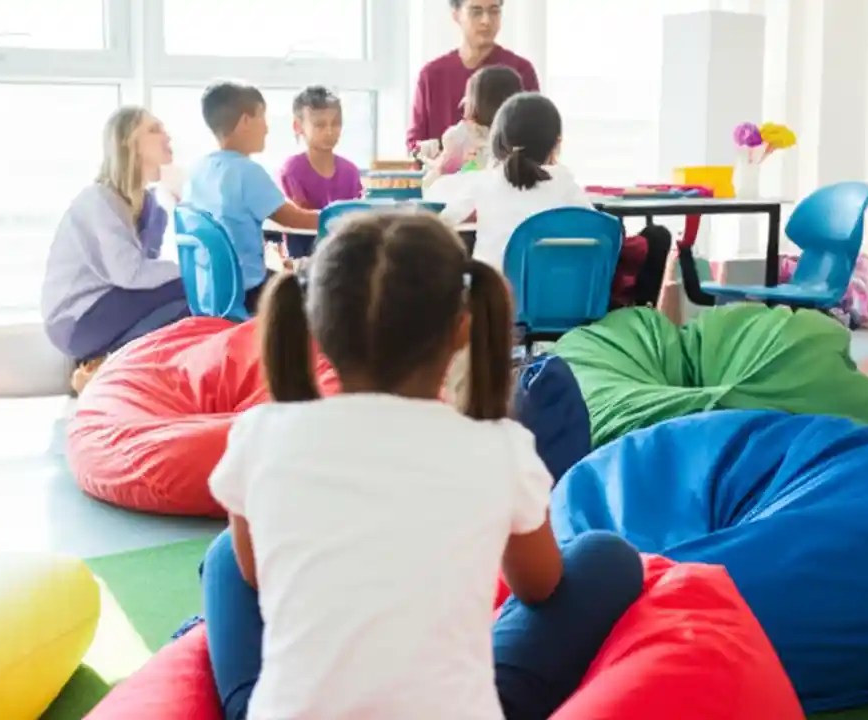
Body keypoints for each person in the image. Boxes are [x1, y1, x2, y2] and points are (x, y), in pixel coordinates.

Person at [200, 212, 644, 719]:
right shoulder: (499, 446)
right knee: (604, 557)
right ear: (462, 328)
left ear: (316, 325)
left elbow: (256, 577)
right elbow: (539, 586)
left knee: (224, 557)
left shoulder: (259, 434)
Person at [438, 93, 672, 307]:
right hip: (564, 303)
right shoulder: (564, 182)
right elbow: (602, 233)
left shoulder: (482, 182)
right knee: (651, 237)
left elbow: (443, 222)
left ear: (498, 142)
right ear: (556, 144)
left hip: (494, 303)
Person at [42, 107, 190, 393]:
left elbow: (149, 279)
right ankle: (106, 367)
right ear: (128, 142)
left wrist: (181, 202)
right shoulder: (98, 200)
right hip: (76, 320)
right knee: (190, 287)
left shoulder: (151, 207)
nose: (167, 135)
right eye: (154, 129)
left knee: (183, 306)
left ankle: (105, 367)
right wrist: (191, 271)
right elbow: (131, 274)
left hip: (108, 308)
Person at [184, 82, 319, 313]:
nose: (267, 128)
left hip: (209, 291)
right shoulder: (245, 171)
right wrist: (342, 216)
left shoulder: (199, 169)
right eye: (262, 118)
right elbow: (295, 219)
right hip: (246, 292)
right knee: (321, 288)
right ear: (246, 121)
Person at [409, 0, 540, 155]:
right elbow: (414, 144)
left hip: (503, 176)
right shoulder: (431, 75)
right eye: (476, 11)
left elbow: (536, 137)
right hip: (443, 175)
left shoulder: (520, 70)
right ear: (456, 14)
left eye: (494, 11)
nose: (486, 21)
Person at [277, 86, 363, 260]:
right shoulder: (292, 169)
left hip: (348, 256)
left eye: (336, 123)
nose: (330, 131)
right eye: (320, 125)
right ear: (298, 126)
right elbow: (300, 220)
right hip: (304, 260)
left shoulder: (350, 171)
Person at [421, 64, 523, 188]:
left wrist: (440, 166)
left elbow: (430, 187)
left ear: (476, 103)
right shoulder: (524, 138)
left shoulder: (460, 135)